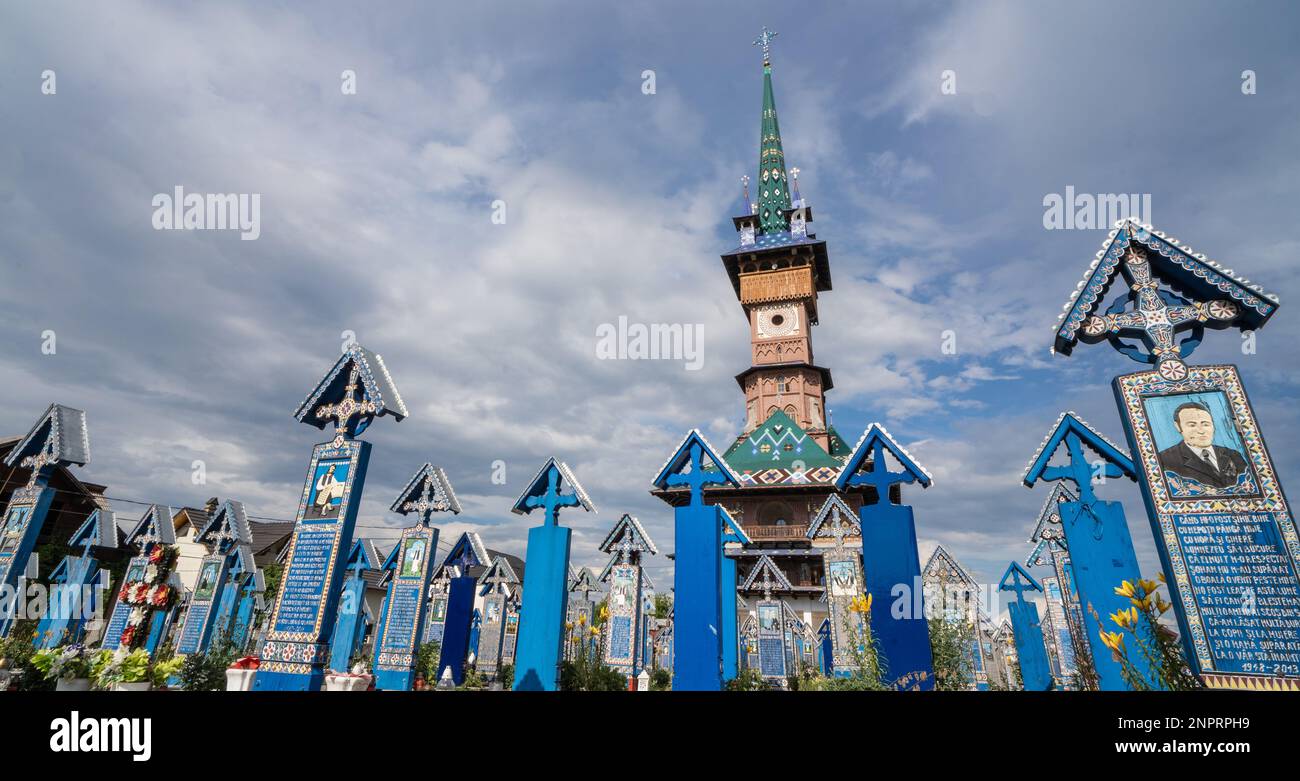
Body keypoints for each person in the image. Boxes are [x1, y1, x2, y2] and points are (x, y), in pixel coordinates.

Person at [1157, 401, 1250, 490]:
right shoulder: (1165, 459)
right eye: (1192, 425)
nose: (1201, 431)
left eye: (1205, 424)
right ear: (1178, 426)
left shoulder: (1233, 455)